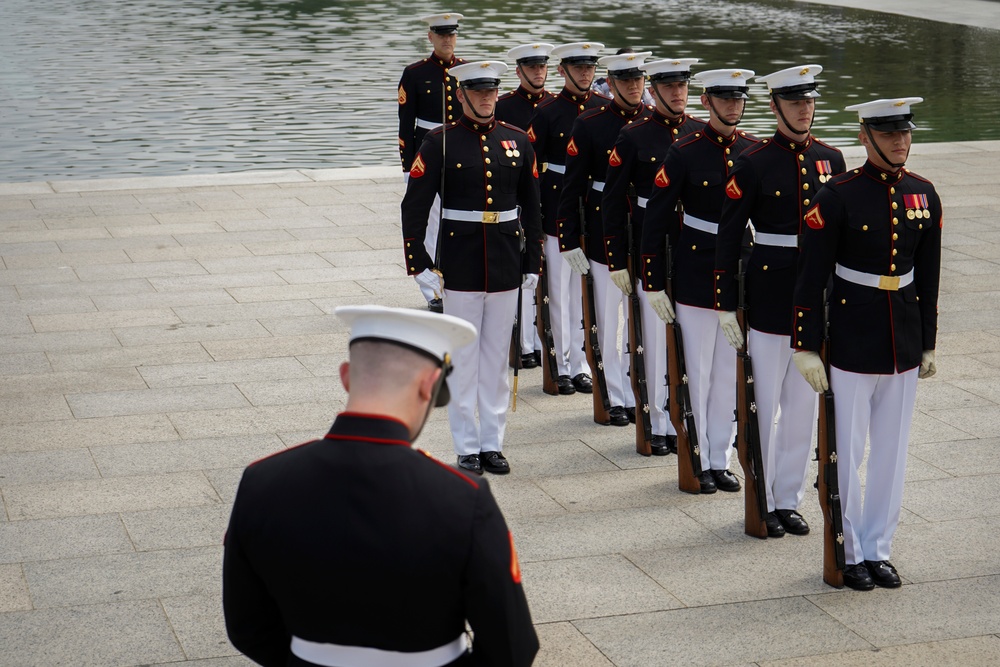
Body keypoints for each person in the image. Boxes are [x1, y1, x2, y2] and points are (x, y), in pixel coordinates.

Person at [223, 305, 539, 666]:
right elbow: (511, 647)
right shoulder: (464, 497)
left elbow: (247, 626)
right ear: (430, 385)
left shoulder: (262, 480)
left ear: (346, 376)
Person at [792, 97, 941, 590]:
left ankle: (879, 548)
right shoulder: (837, 195)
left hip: (903, 336)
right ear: (865, 137)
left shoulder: (924, 193)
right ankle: (849, 551)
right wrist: (805, 345)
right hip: (852, 335)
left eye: (905, 132)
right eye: (889, 133)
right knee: (847, 450)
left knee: (891, 454)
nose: (901, 141)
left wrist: (928, 342)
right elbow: (811, 275)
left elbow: (929, 275)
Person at [714, 65, 846, 537]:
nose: (804, 109)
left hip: (817, 295)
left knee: (802, 407)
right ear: (774, 107)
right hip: (770, 294)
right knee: (764, 403)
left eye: (809, 101)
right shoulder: (753, 161)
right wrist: (726, 302)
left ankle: (788, 498)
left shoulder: (831, 159)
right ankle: (762, 498)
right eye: (794, 102)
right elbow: (729, 236)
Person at [401, 61, 543, 475]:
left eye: (491, 91)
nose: (485, 98)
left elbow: (533, 206)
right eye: (477, 92)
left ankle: (492, 443)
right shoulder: (439, 142)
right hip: (460, 261)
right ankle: (466, 445)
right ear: (461, 95)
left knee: (497, 358)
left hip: (505, 260)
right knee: (463, 358)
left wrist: (532, 261)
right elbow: (414, 206)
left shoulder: (517, 140)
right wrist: (419, 264)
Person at [641, 68, 758, 493]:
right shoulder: (685, 151)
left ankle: (719, 458)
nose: (733, 106)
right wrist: (653, 281)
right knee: (698, 370)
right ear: (707, 102)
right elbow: (656, 218)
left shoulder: (752, 150)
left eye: (738, 98)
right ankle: (696, 458)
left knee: (728, 373)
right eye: (725, 98)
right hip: (696, 269)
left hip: (740, 270)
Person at [603, 56, 705, 454]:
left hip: (691, 246)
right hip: (652, 243)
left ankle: (687, 420)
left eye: (682, 86)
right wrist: (616, 260)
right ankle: (658, 423)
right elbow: (613, 201)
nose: (678, 93)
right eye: (669, 86)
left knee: (690, 342)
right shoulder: (633, 135)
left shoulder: (699, 131)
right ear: (655, 89)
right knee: (654, 339)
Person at [557, 51, 652, 426]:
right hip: (602, 230)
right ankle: (613, 394)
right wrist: (568, 238)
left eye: (638, 79)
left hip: (643, 228)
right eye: (625, 80)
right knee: (608, 318)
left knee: (640, 321)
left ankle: (637, 388)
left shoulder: (652, 121)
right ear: (611, 84)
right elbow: (572, 185)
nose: (633, 86)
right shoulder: (590, 122)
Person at [527, 42, 608, 396]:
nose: (585, 73)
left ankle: (581, 363)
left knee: (586, 294)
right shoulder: (547, 111)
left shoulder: (603, 108)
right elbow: (531, 170)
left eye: (590, 67)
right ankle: (559, 364)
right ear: (562, 71)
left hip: (594, 209)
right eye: (578, 68)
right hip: (558, 206)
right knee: (559, 293)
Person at [397, 12, 466, 313]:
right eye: (441, 34)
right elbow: (405, 125)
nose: (447, 39)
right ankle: (432, 291)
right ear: (430, 37)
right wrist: (408, 167)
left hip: (461, 154)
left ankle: (458, 282)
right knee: (430, 223)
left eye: (451, 34)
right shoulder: (414, 73)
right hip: (427, 154)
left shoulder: (467, 71)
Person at [497, 42, 555, 370]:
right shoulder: (504, 107)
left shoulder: (555, 105)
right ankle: (523, 342)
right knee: (524, 271)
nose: (538, 72)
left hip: (551, 194)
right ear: (519, 72)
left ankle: (548, 339)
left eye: (542, 66)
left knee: (550, 277)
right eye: (531, 67)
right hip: (519, 196)